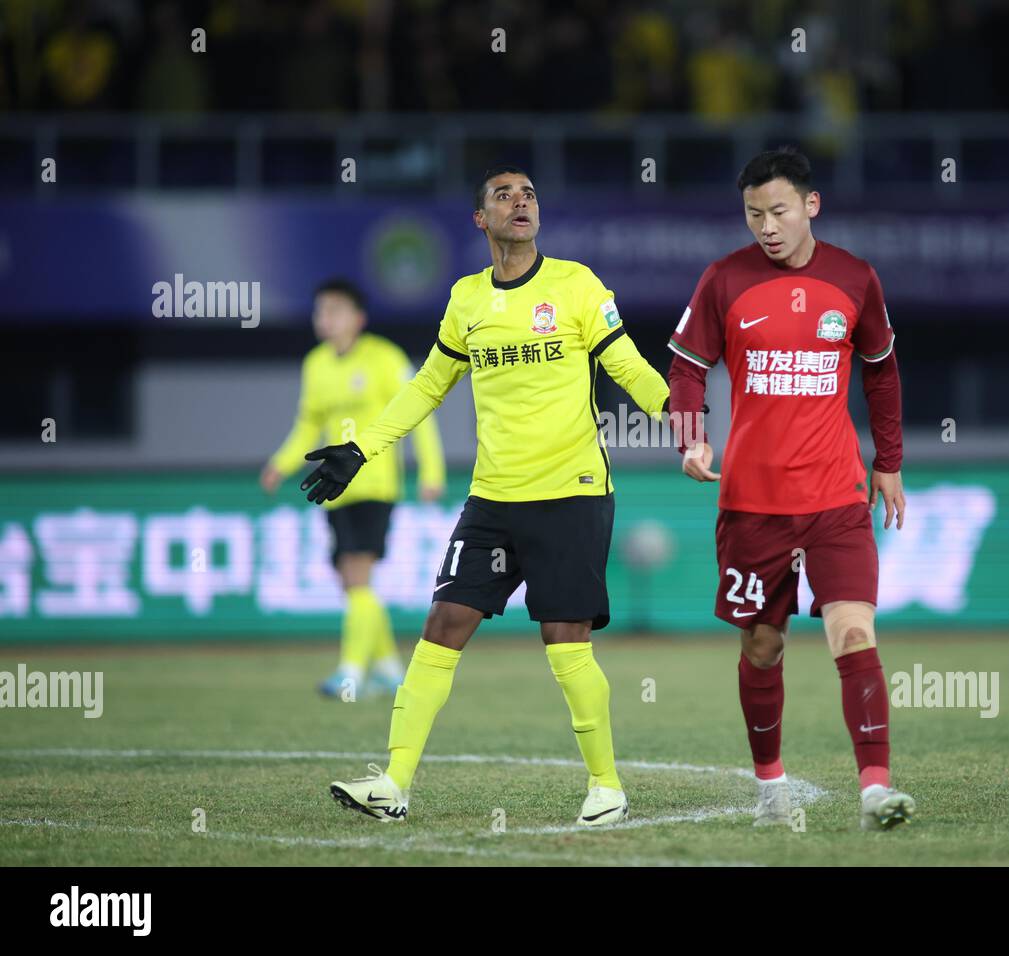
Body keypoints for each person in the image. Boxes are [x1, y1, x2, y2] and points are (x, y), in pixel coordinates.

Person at [307, 166, 671, 826]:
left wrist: (682, 418)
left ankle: (606, 786)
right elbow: (428, 385)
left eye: (529, 193)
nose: (520, 202)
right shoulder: (467, 298)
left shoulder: (577, 285)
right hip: (493, 499)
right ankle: (392, 783)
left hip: (571, 493)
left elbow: (626, 365)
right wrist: (361, 449)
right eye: (504, 195)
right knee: (443, 624)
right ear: (481, 219)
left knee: (564, 639)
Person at [668, 147, 915, 830]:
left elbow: (882, 370)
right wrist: (690, 437)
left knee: (853, 632)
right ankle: (771, 790)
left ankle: (875, 790)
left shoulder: (856, 279)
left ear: (811, 205)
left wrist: (889, 461)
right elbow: (686, 368)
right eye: (754, 215)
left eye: (778, 211)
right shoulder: (724, 279)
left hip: (836, 498)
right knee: (762, 645)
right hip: (753, 504)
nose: (767, 227)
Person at [262, 278, 445, 698]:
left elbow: (420, 414)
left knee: (357, 575)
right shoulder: (315, 364)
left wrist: (431, 473)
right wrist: (280, 464)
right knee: (352, 582)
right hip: (334, 486)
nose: (325, 319)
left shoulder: (385, 358)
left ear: (358, 318)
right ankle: (389, 669)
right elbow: (308, 424)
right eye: (320, 311)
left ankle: (350, 673)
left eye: (334, 310)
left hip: (374, 484)